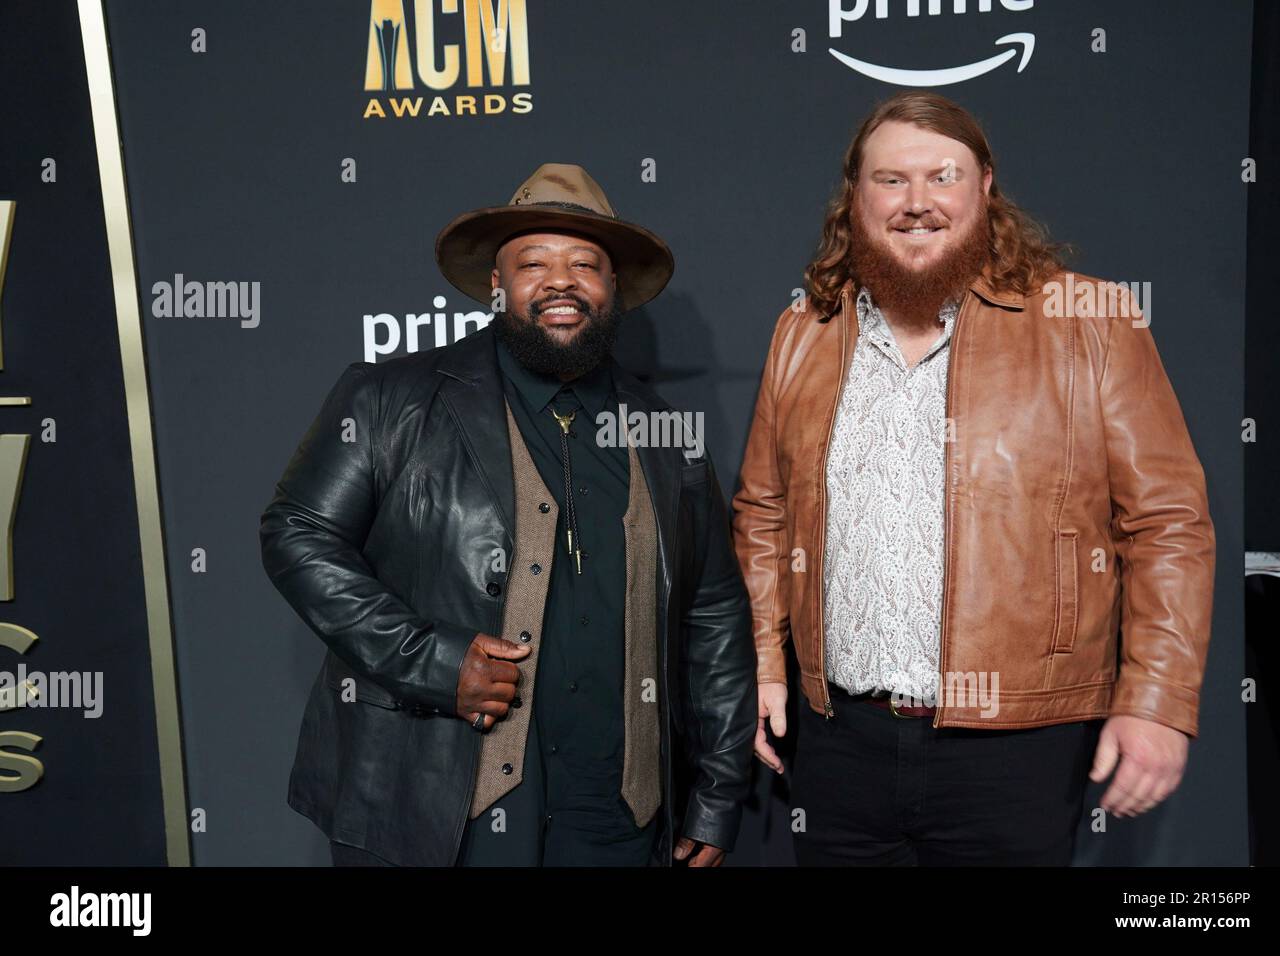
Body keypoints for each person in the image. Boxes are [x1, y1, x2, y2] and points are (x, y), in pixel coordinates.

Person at [731, 91, 1216, 865]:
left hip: (1017, 745)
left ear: (985, 186)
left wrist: (1157, 700)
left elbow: (1167, 523)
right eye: (890, 181)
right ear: (854, 198)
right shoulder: (805, 332)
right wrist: (763, 664)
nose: (917, 203)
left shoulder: (1088, 319)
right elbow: (763, 514)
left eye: (941, 176)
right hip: (838, 742)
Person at [260, 163, 756, 867]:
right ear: (498, 285)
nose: (561, 281)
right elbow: (297, 532)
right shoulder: (391, 398)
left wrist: (716, 791)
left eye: (586, 263)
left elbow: (712, 611)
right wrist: (429, 657)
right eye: (533, 263)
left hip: (615, 814)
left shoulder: (665, 434)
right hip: (438, 805)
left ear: (615, 290)